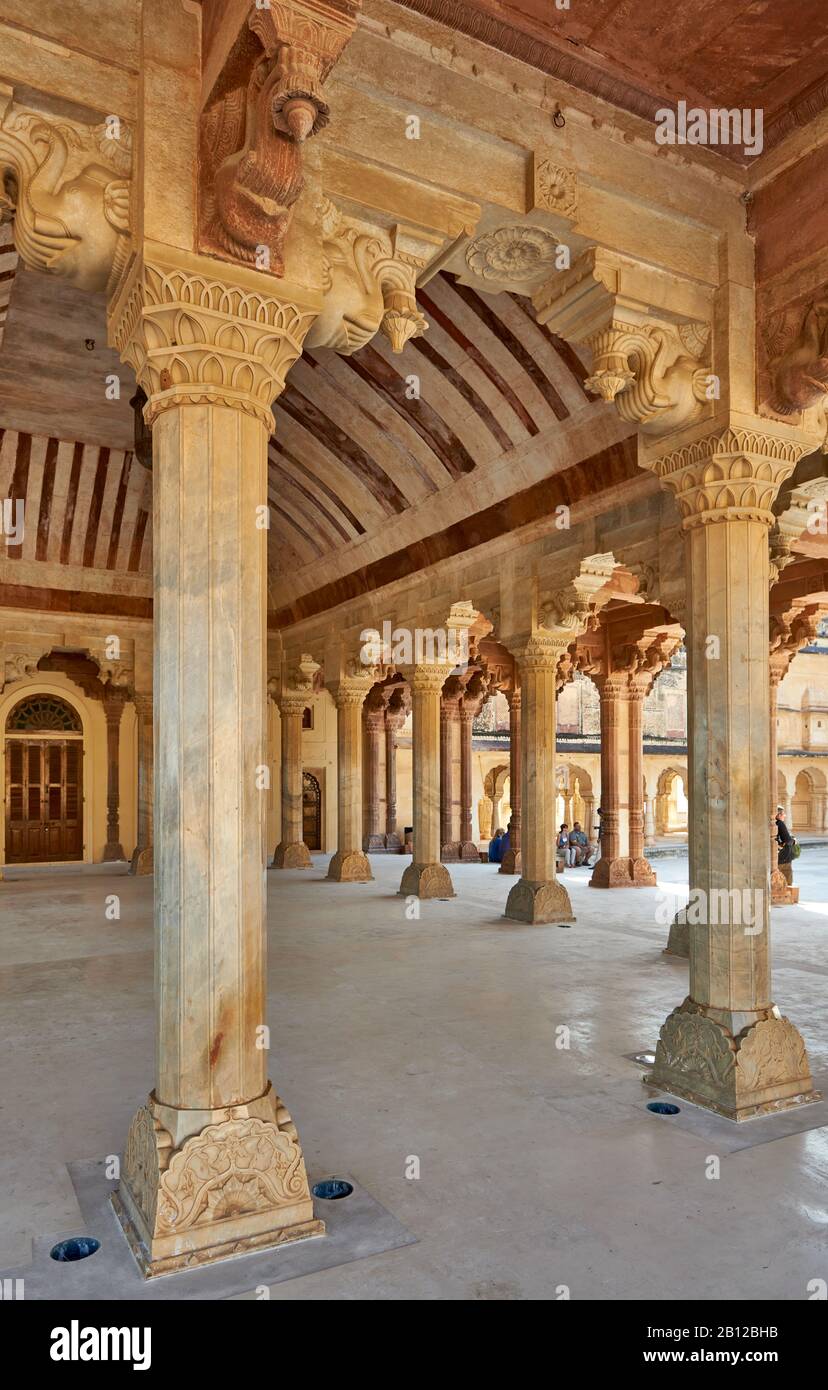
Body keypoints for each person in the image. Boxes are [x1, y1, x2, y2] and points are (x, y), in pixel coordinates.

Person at [776, 805, 794, 885]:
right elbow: (787, 840)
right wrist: (793, 841)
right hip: (783, 858)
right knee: (786, 880)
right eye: (783, 814)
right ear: (779, 815)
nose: (785, 815)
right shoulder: (780, 823)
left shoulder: (773, 823)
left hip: (778, 856)